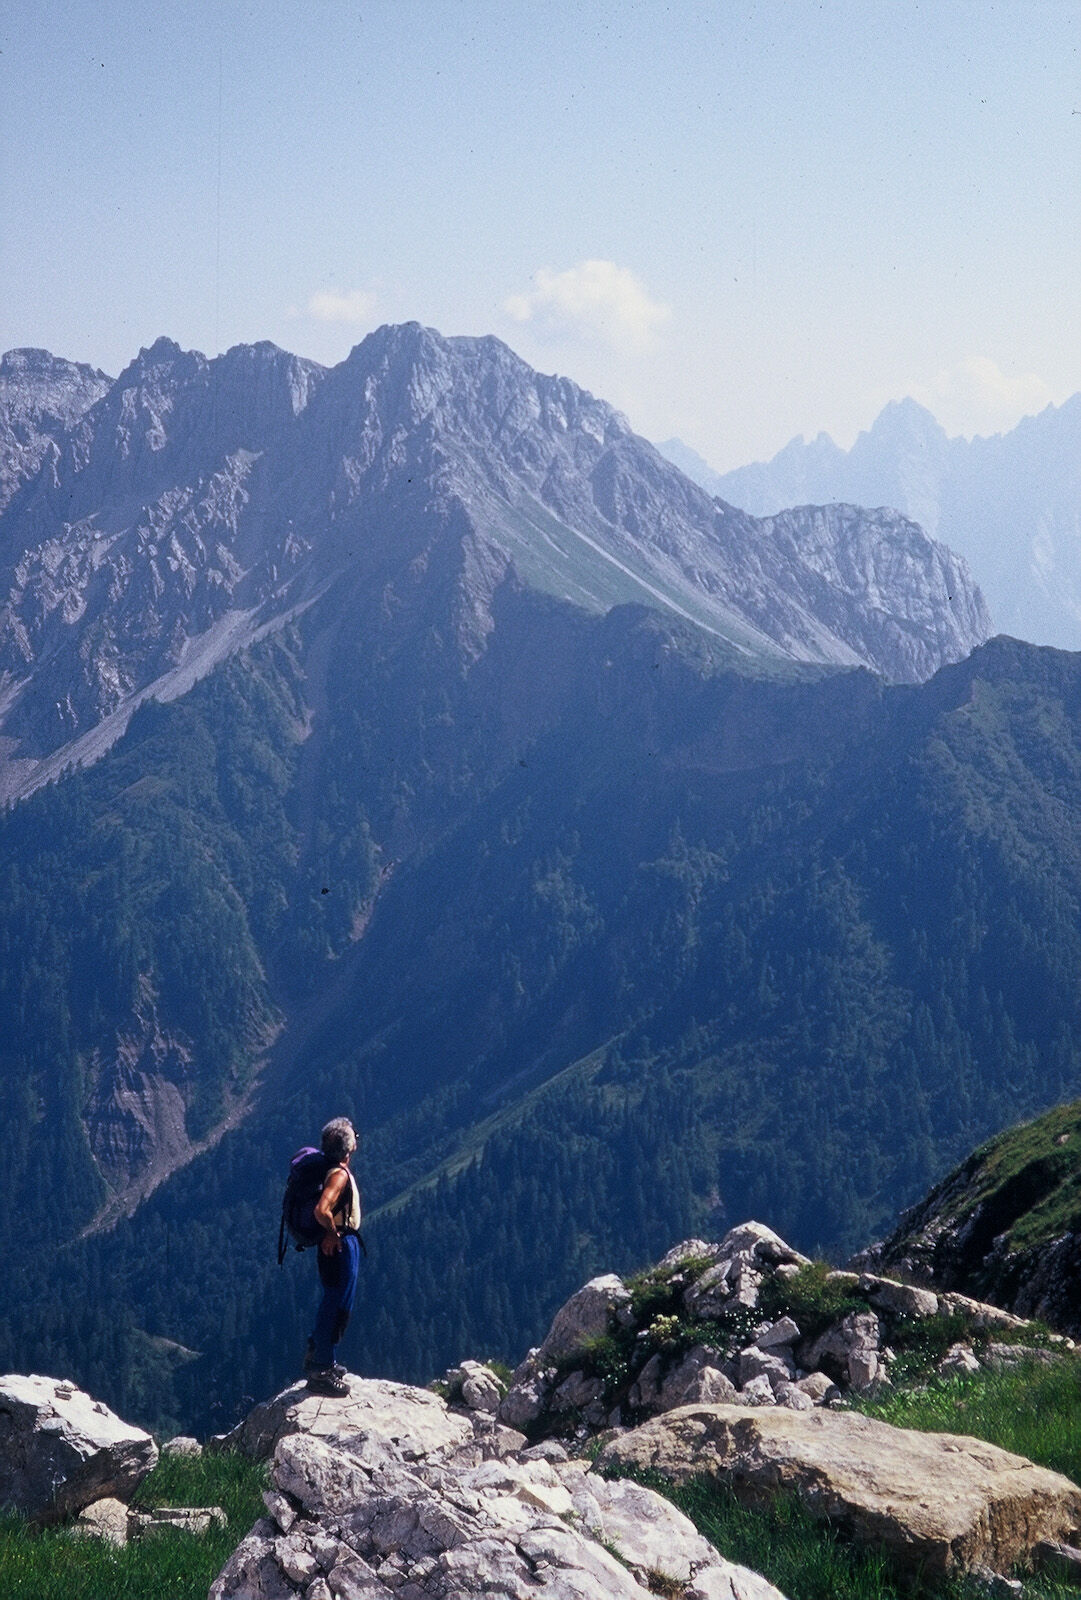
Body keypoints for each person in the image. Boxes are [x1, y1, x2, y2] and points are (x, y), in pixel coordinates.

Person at [304, 1116, 363, 1395]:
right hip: (340, 1244)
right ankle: (321, 1370)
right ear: (348, 1149)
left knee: (333, 1299)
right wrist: (332, 1233)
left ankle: (324, 1356)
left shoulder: (328, 1168)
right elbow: (321, 1209)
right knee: (338, 1304)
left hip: (337, 1243)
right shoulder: (338, 1174)